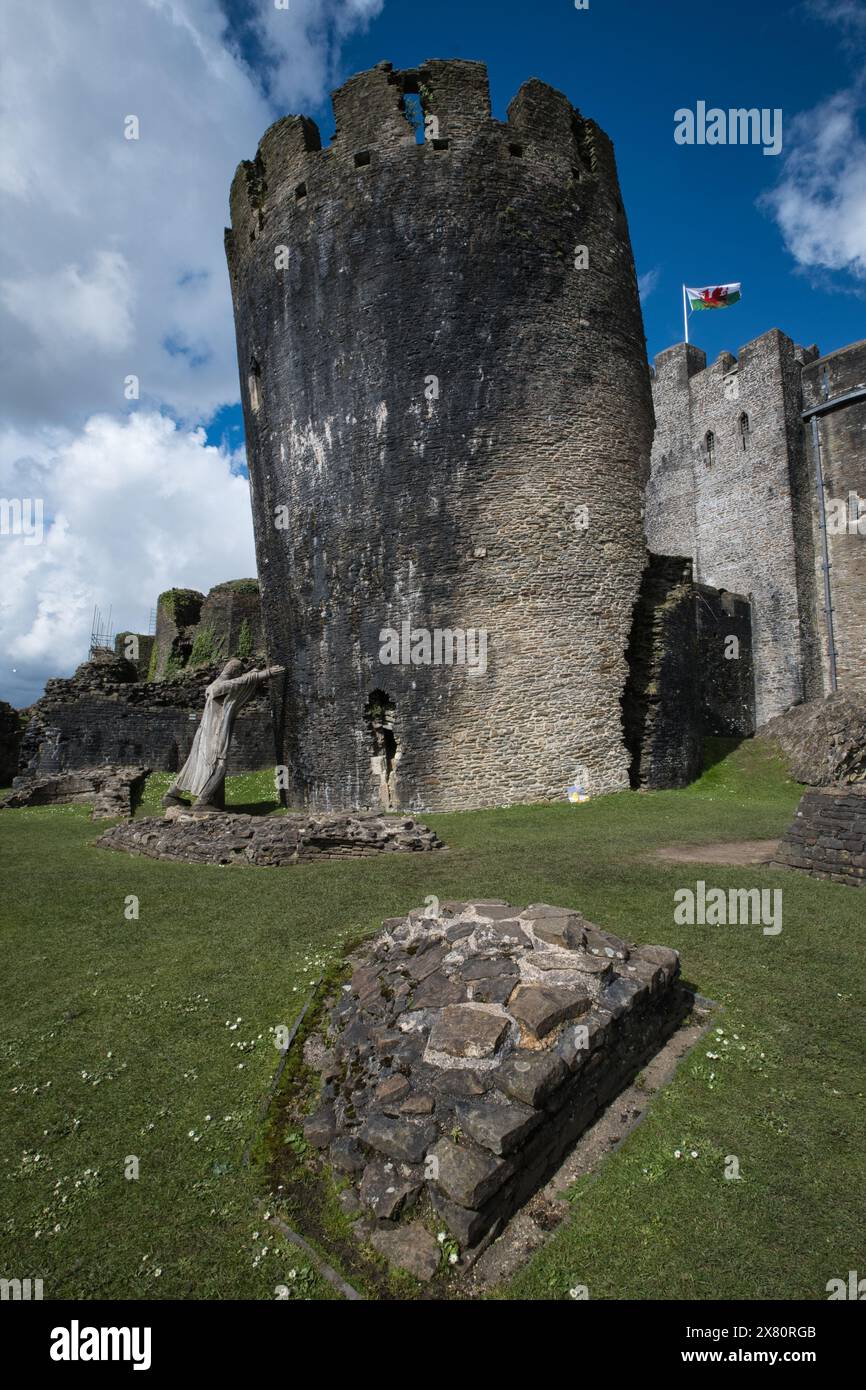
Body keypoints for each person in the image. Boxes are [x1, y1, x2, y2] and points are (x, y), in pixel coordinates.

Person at [162, 658, 285, 812]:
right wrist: (263, 674)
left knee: (192, 765)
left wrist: (252, 675)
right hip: (213, 732)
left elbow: (238, 685)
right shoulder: (217, 686)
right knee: (220, 765)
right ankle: (202, 802)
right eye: (238, 671)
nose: (239, 675)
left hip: (207, 732)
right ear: (233, 671)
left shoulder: (221, 685)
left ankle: (171, 796)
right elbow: (229, 686)